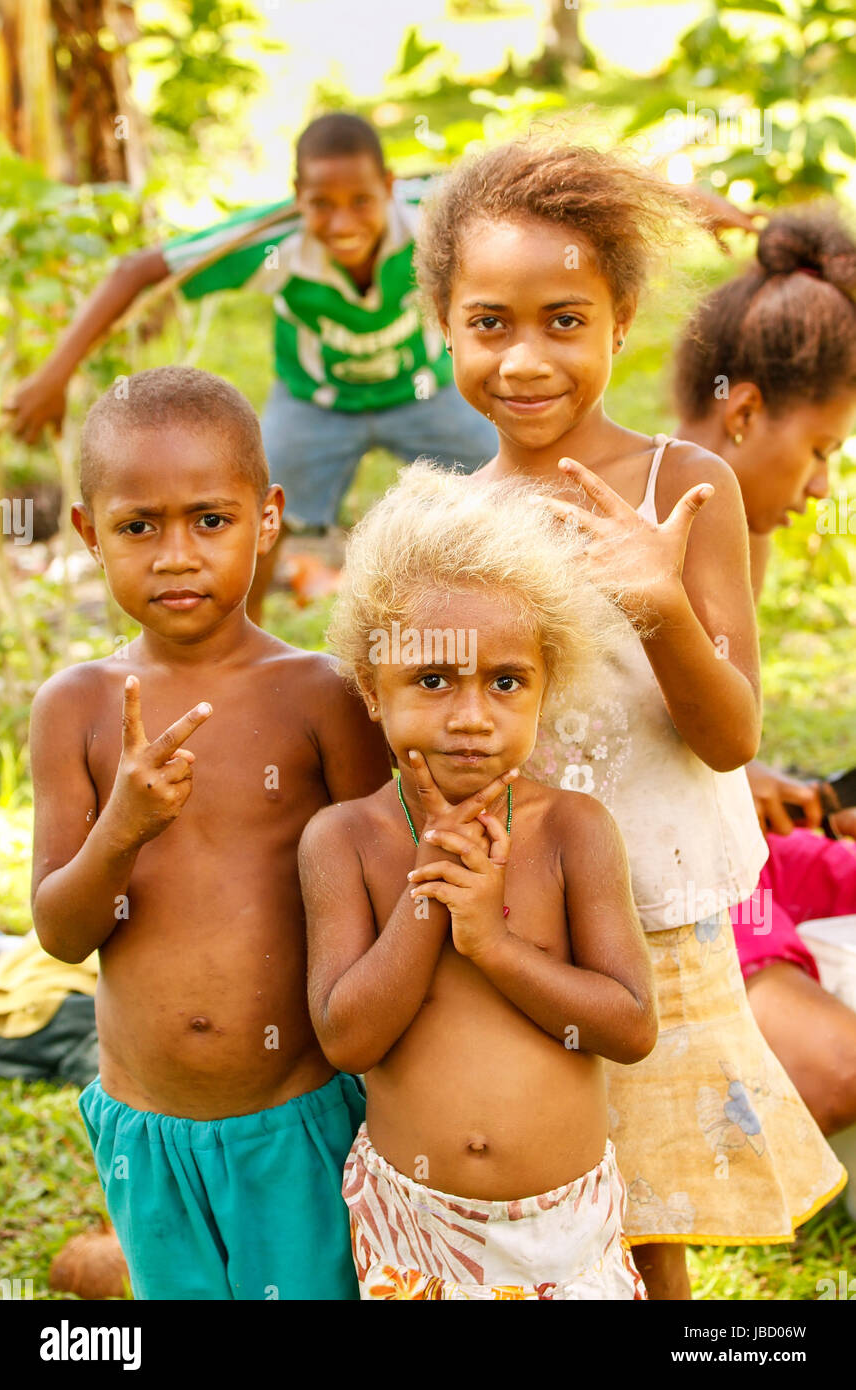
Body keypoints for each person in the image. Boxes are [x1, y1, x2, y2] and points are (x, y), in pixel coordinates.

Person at [413, 135, 847, 1299]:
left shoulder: (682, 490)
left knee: (652, 1207)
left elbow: (729, 737)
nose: (524, 357)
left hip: (656, 917)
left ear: (619, 319)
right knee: (548, 1196)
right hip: (519, 916)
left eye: (563, 319)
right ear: (440, 329)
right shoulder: (447, 525)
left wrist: (657, 602)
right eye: (488, 321)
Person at [29, 365, 392, 1299]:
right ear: (87, 533)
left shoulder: (320, 695)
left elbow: (383, 893)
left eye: (211, 520)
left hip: (298, 1116)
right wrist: (123, 829)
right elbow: (65, 932)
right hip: (146, 1131)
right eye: (138, 527)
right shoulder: (74, 707)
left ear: (267, 517)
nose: (177, 555)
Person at [301, 462, 656, 1300]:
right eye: (433, 681)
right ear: (371, 690)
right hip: (414, 1229)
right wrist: (432, 889)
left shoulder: (574, 833)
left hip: (566, 1235)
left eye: (507, 682)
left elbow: (631, 1025)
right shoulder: (344, 840)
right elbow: (349, 1041)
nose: (471, 717)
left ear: (545, 683)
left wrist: (493, 946)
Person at [5, 113, 496, 624]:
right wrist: (51, 378)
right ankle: (245, 633)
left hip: (425, 394)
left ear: (390, 187)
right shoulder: (273, 242)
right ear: (295, 197)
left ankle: (534, 609)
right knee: (256, 505)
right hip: (316, 403)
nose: (343, 223)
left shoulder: (435, 218)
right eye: (321, 205)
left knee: (512, 477)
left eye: (361, 201)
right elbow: (138, 270)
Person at [674, 207, 856, 1136]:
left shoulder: (740, 527)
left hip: (742, 859)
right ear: (744, 412)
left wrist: (746, 779)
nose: (825, 485)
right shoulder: (651, 535)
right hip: (676, 902)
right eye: (821, 450)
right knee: (841, 1072)